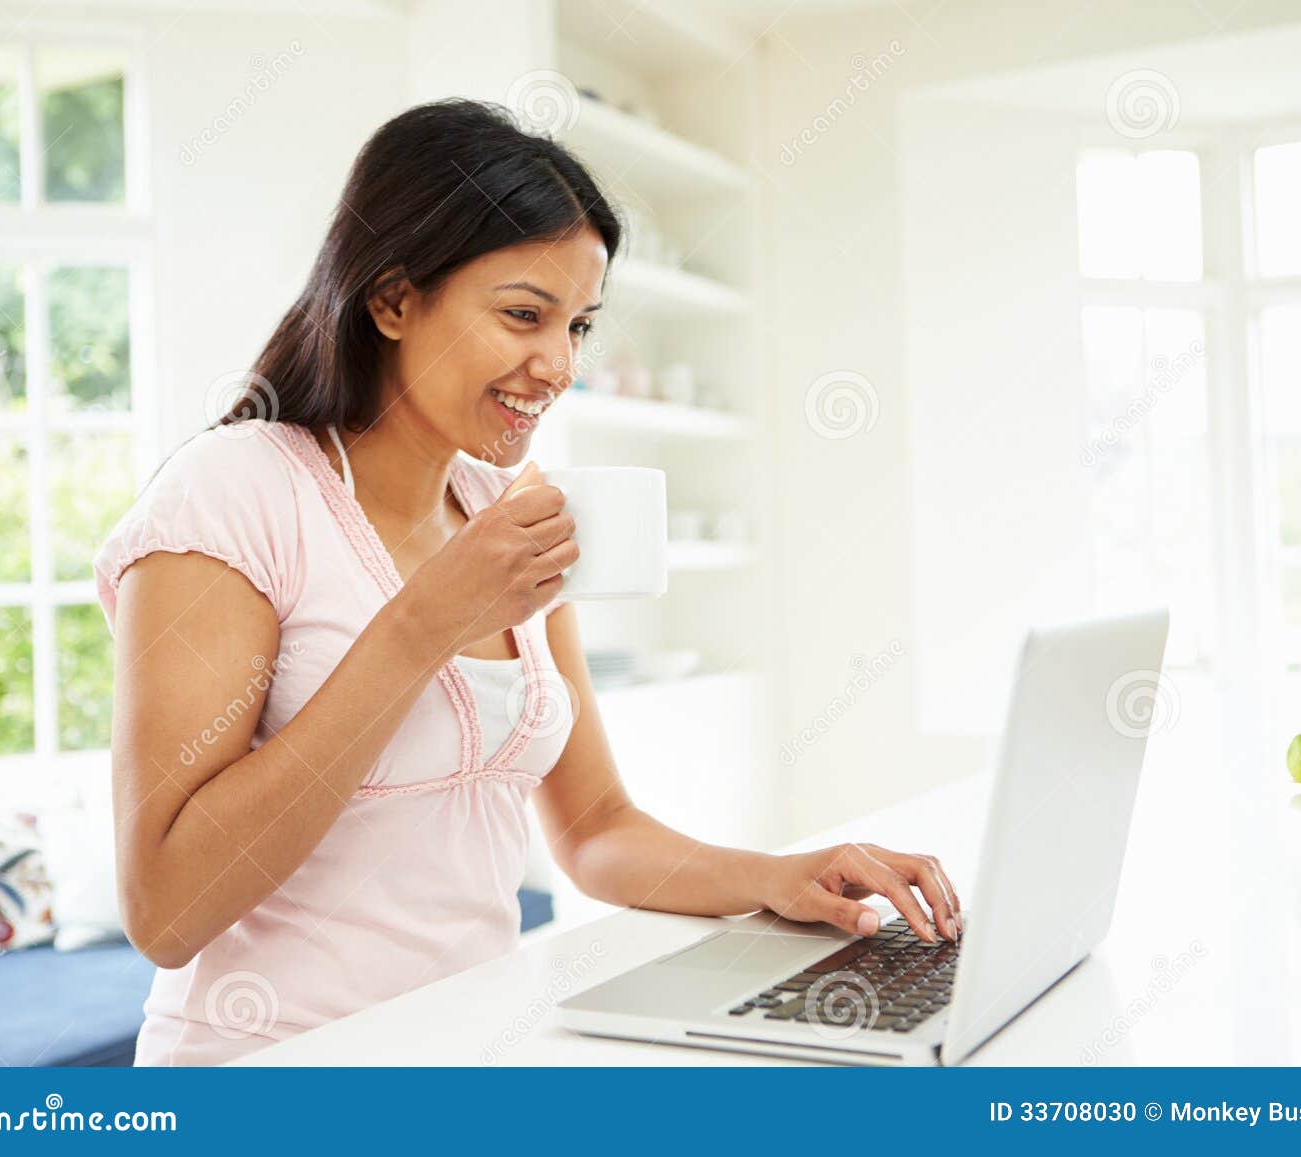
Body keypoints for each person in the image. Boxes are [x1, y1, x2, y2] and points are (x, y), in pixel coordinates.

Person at [94, 99, 959, 1065]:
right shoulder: (234, 492)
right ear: (391, 300)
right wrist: (423, 624)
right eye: (522, 315)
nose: (559, 366)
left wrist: (780, 874)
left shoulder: (510, 513)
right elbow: (166, 910)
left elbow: (595, 830)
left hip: (468, 1056)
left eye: (579, 325)